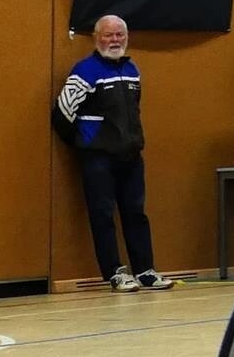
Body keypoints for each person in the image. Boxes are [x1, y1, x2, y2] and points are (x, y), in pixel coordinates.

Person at [53, 15, 173, 292]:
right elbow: (62, 113)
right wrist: (84, 143)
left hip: (131, 156)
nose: (114, 40)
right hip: (98, 159)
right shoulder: (84, 71)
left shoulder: (132, 70)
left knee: (136, 213)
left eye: (119, 34)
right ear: (96, 38)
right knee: (103, 215)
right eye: (108, 35)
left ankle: (145, 270)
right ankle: (114, 273)